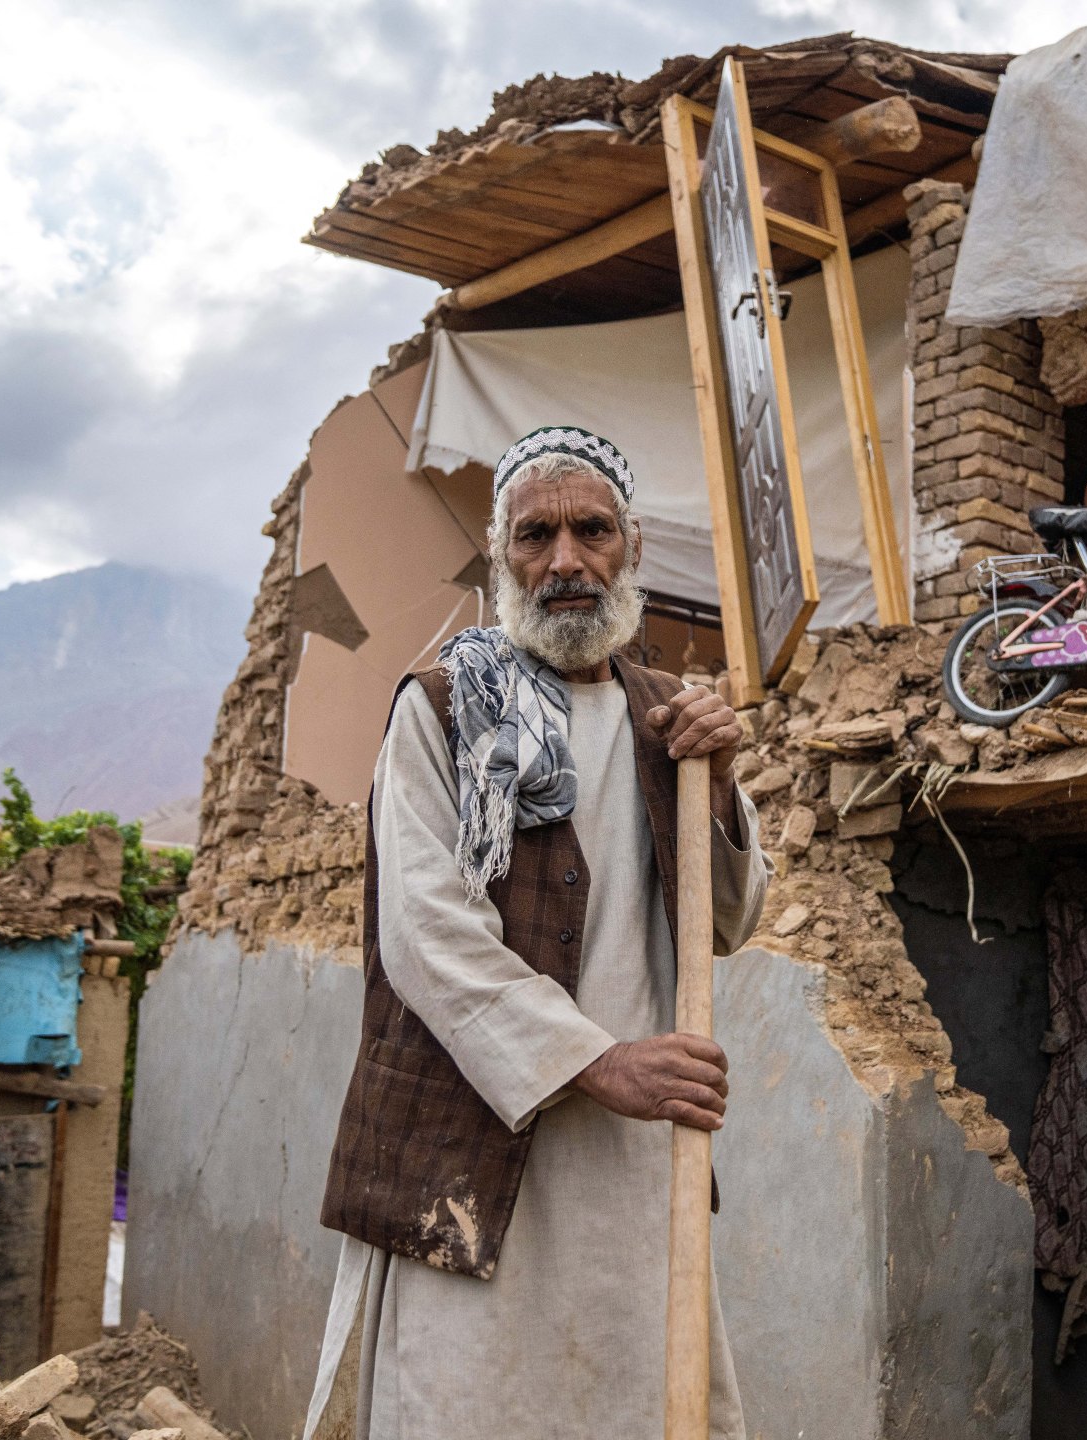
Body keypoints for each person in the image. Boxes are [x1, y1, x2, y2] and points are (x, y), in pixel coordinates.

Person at [304, 426, 770, 1439]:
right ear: (500, 556)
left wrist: (721, 784)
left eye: (590, 531)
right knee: (467, 1407)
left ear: (632, 547)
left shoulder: (673, 725)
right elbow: (427, 938)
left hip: (632, 1174)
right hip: (471, 1158)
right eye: (535, 535)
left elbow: (729, 919)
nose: (565, 560)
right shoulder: (440, 713)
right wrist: (599, 1063)